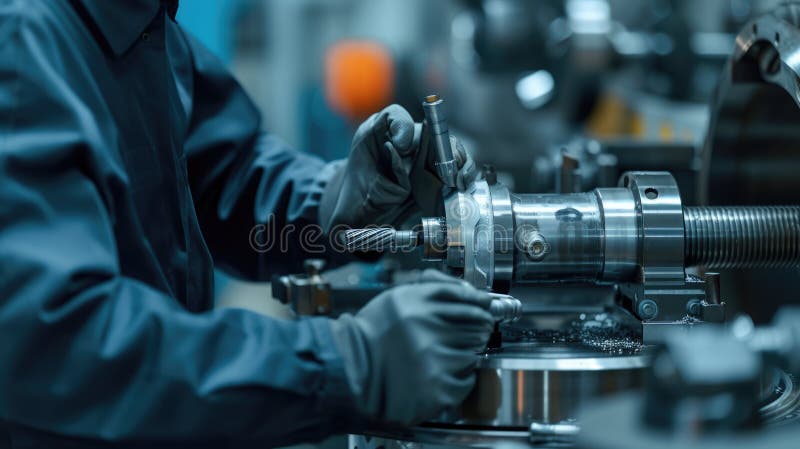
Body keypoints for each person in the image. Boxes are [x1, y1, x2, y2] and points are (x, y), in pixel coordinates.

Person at [0, 0, 494, 448]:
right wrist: (341, 363)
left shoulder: (143, 26)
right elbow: (57, 343)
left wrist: (339, 200)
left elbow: (220, 173)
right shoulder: (23, 39)